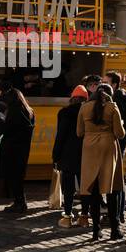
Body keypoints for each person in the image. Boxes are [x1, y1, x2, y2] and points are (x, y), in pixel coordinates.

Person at [78, 82, 126, 241]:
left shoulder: (84, 107)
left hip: (90, 148)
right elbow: (120, 133)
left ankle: (95, 230)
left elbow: (79, 132)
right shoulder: (113, 107)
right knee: (112, 189)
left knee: (94, 191)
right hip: (108, 147)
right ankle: (114, 229)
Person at [52, 85, 89, 228]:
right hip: (85, 153)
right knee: (85, 186)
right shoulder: (89, 113)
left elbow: (60, 136)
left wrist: (55, 155)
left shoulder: (65, 113)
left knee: (68, 188)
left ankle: (67, 216)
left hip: (67, 154)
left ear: (72, 97)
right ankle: (84, 216)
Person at [0, 88, 35, 213]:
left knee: (14, 177)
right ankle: (20, 201)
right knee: (19, 176)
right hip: (24, 148)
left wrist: (3, 120)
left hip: (12, 148)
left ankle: (19, 202)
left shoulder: (14, 110)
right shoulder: (29, 111)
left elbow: (8, 129)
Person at [107, 72, 126, 216]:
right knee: (118, 179)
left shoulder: (114, 103)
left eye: (106, 82)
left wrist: (120, 136)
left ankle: (114, 214)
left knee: (113, 180)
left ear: (114, 85)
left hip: (114, 143)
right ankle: (119, 212)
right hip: (122, 142)